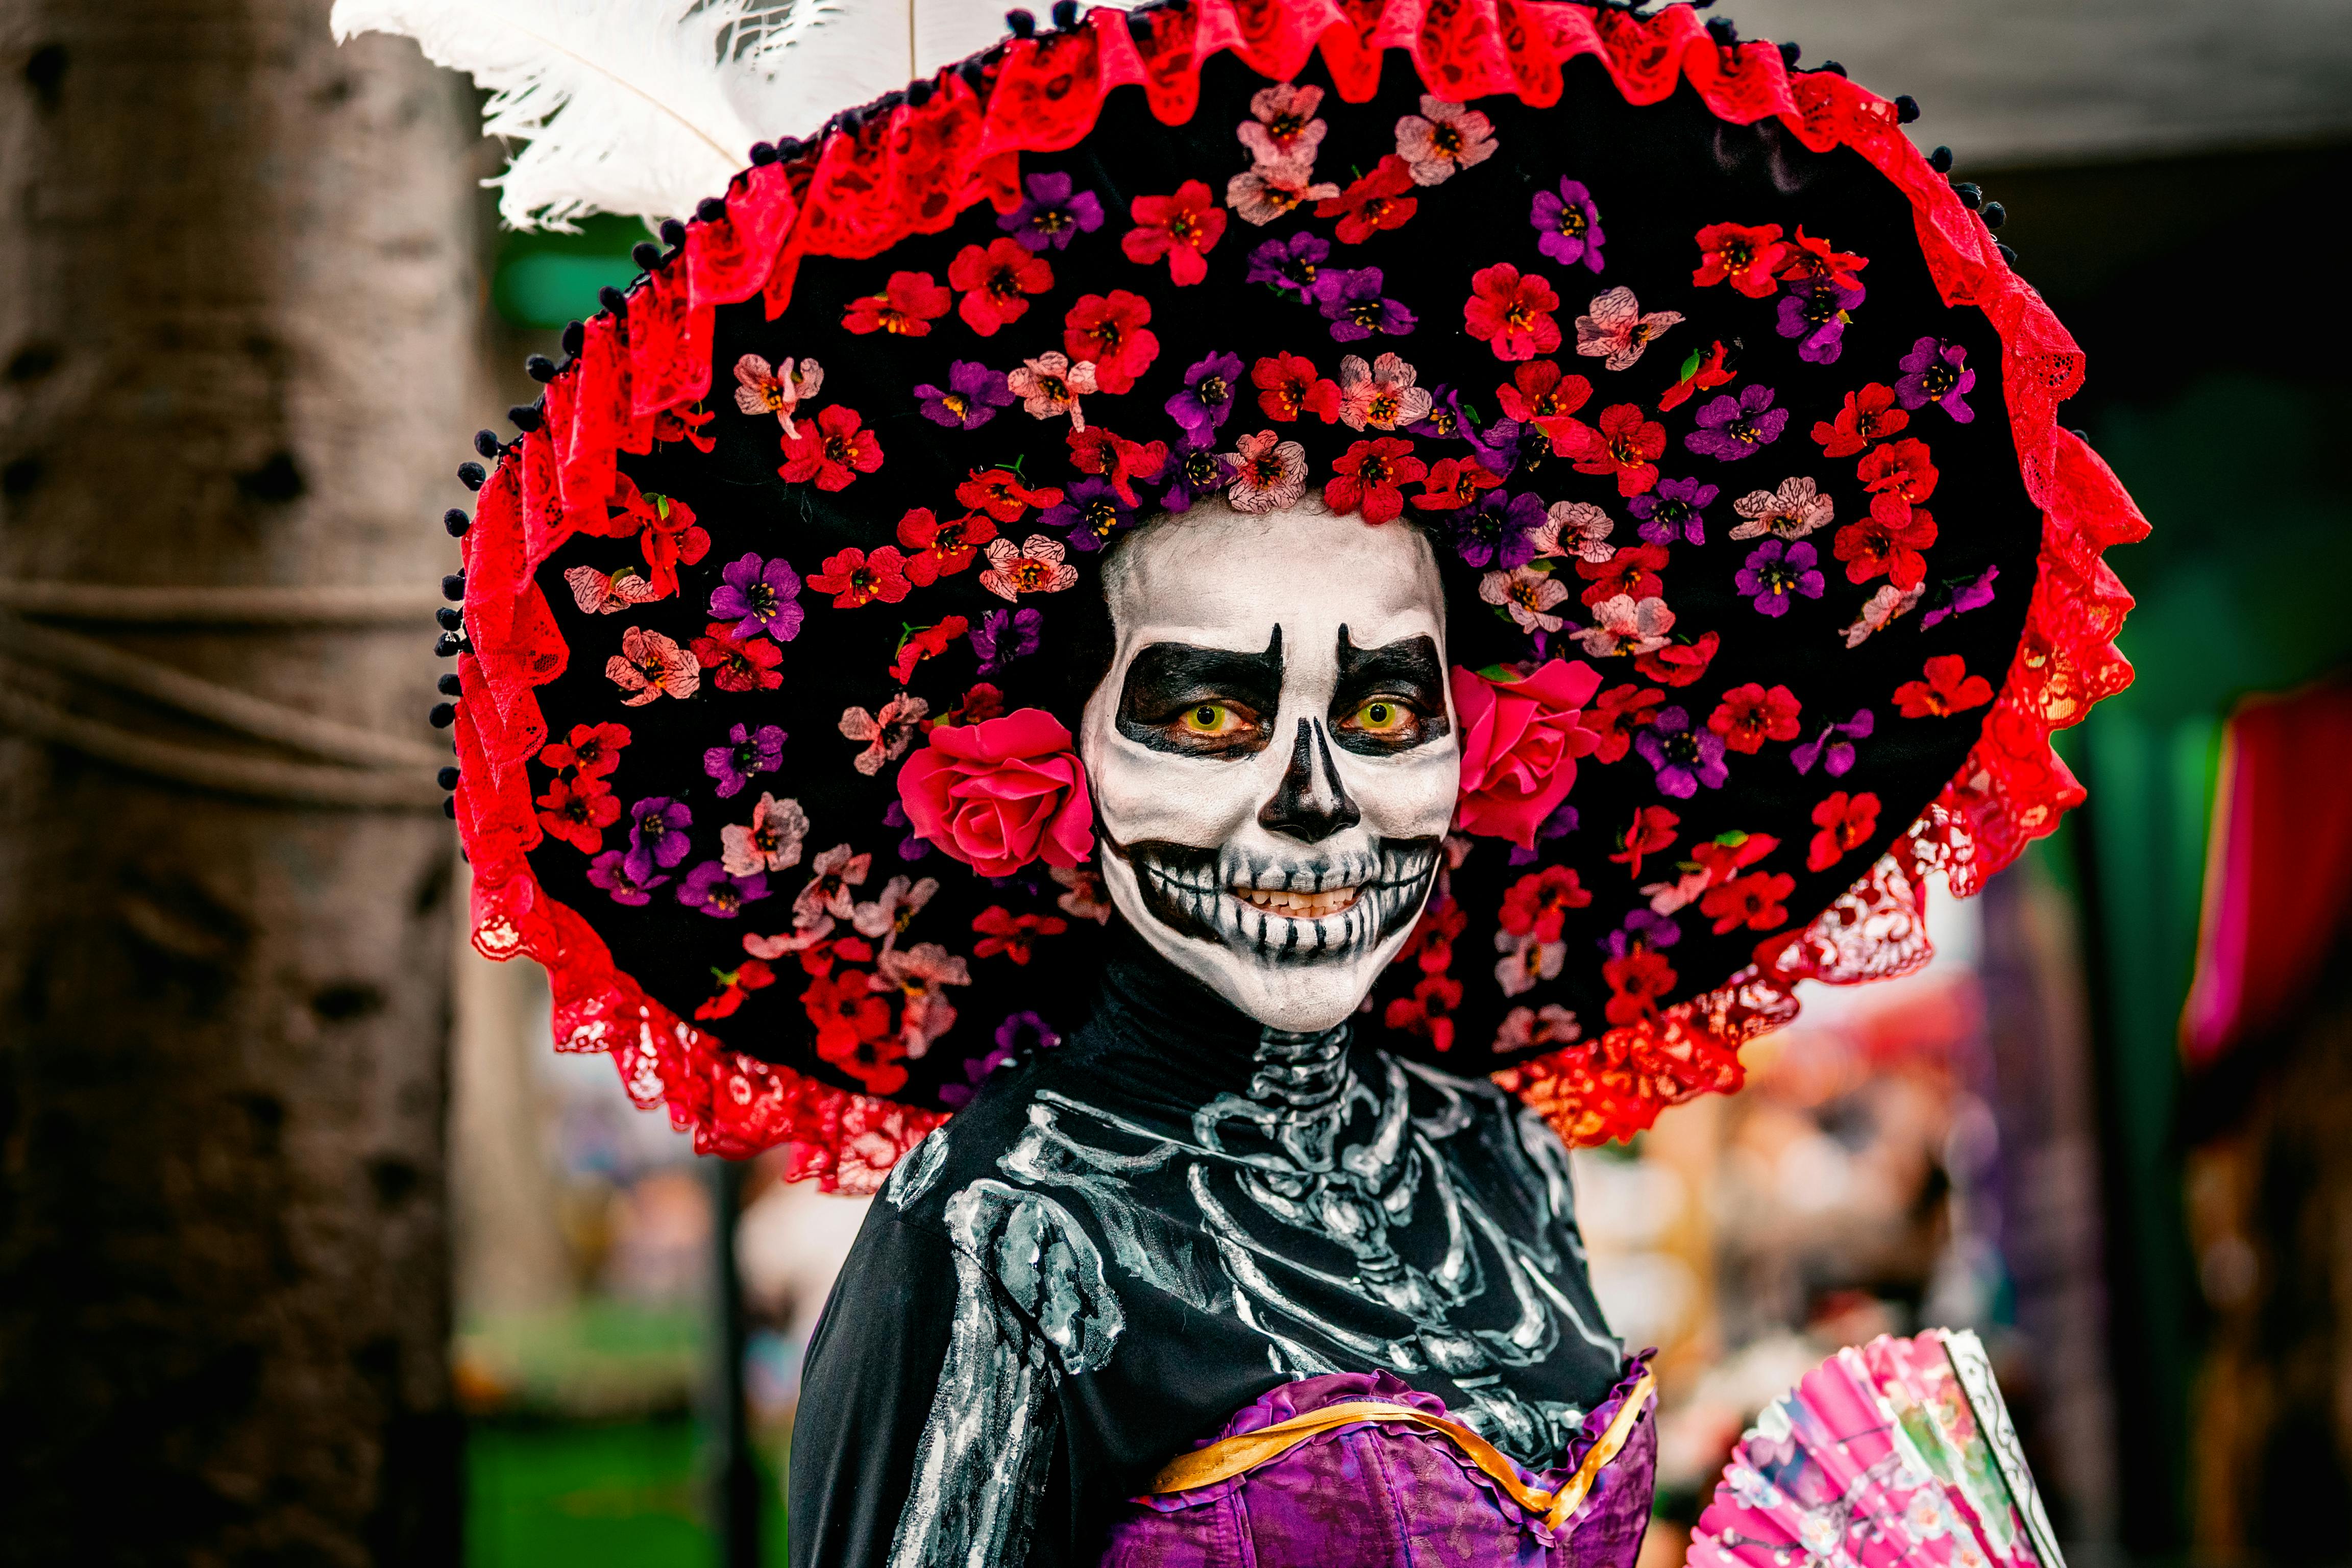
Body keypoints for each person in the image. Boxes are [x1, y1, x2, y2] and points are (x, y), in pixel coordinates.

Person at [417, 1, 2144, 1561]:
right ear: (1048, 769)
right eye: (1215, 715)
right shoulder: (1007, 1233)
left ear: (1485, 742)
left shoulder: (1496, 1161)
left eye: (1384, 711)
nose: (1317, 800)